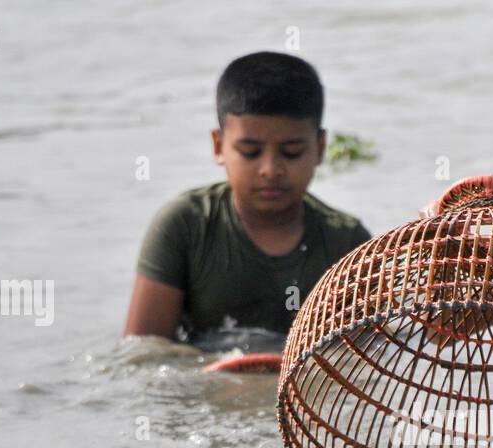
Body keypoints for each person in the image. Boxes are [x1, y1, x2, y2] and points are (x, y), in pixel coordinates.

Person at [123, 51, 371, 370]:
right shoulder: (184, 226)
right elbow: (141, 354)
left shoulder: (347, 243)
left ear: (320, 148)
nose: (270, 169)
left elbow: (367, 356)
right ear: (218, 146)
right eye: (250, 152)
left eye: (291, 152)